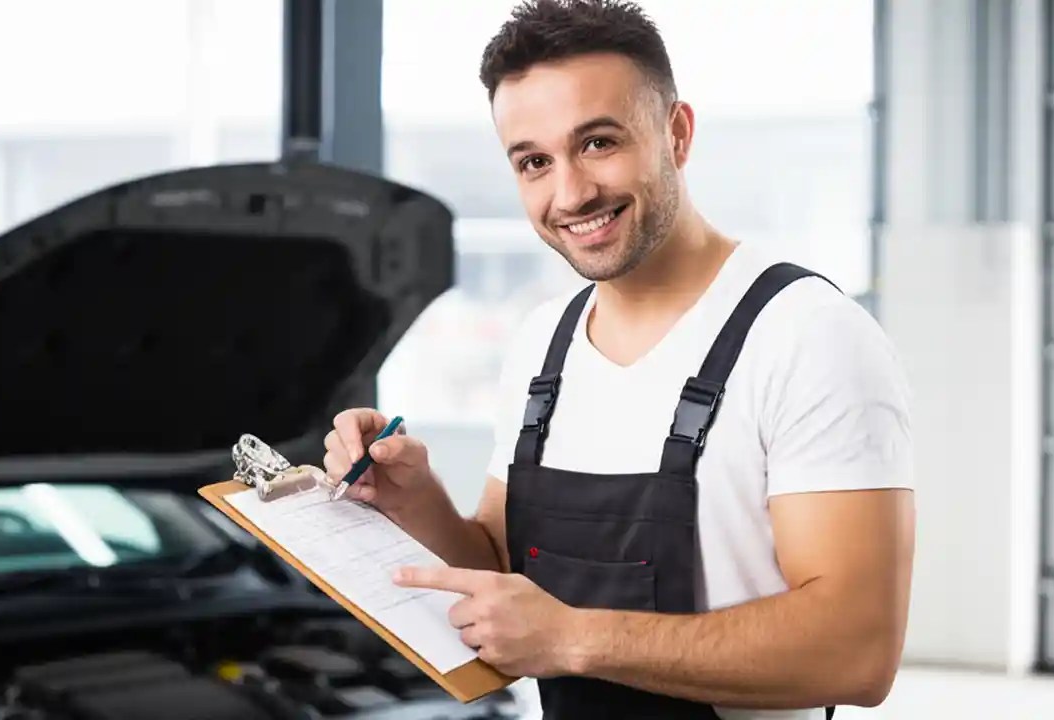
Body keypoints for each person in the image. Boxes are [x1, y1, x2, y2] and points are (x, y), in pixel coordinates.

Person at [322, 1, 915, 718]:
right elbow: (507, 583)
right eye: (534, 162)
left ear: (677, 133)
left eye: (599, 143)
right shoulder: (543, 342)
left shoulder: (807, 335)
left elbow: (856, 652)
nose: (570, 193)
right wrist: (413, 500)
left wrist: (574, 640)